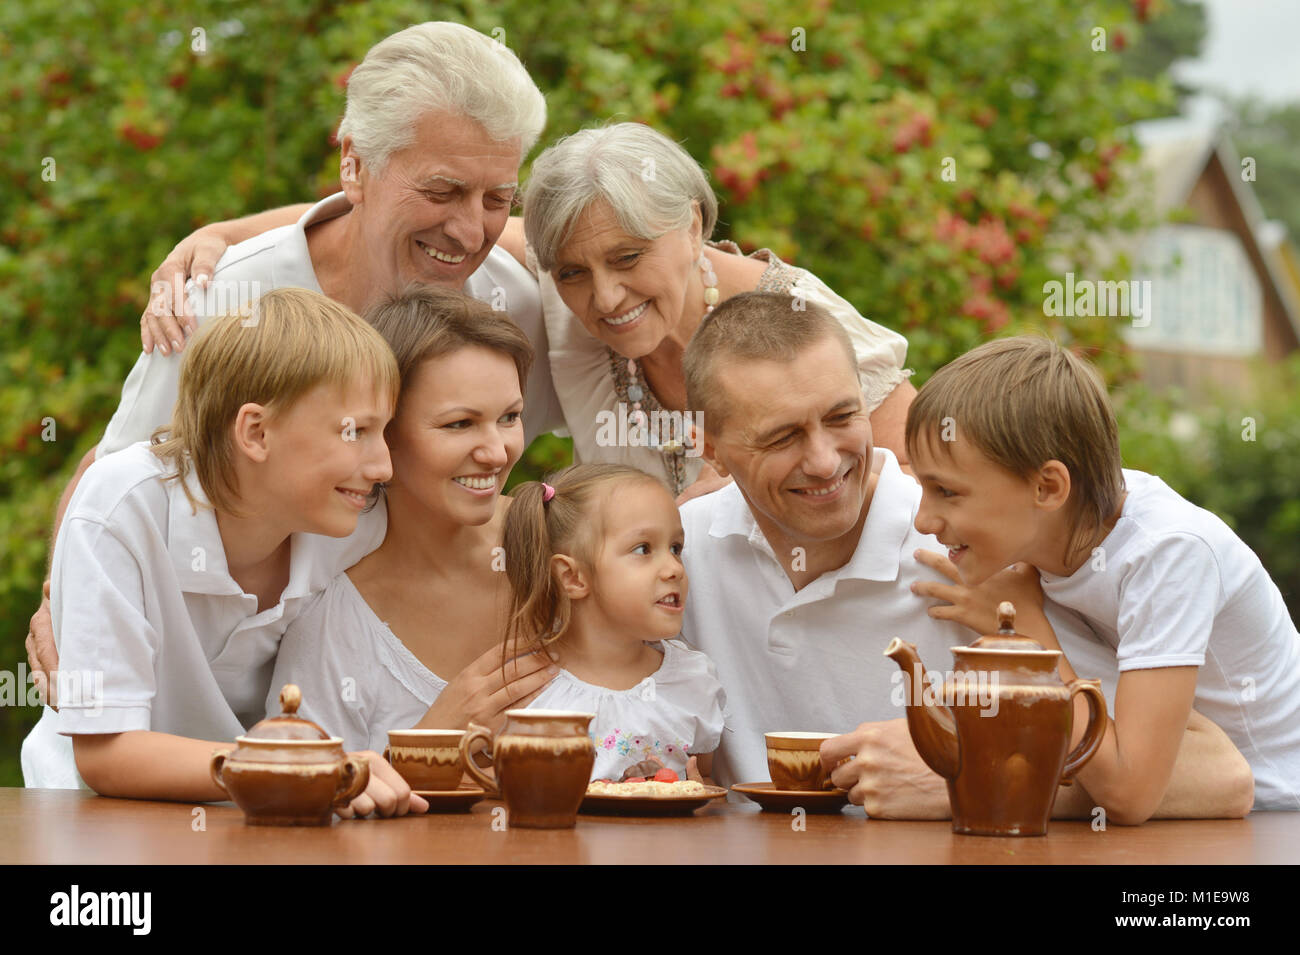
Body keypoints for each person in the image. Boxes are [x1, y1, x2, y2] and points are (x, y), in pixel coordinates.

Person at [27, 21, 563, 707]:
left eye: (497, 200)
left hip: (352, 725)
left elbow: (615, 263)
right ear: (355, 163)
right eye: (441, 192)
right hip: (174, 718)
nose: (470, 231)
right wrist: (61, 593)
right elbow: (117, 467)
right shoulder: (226, 300)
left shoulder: (509, 305)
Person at [676, 291, 1256, 820]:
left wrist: (960, 774)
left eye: (842, 417)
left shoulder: (976, 556)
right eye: (782, 437)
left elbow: (1218, 776)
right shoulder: (675, 557)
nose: (826, 461)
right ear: (711, 448)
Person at [21, 288, 421, 817]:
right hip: (88, 816)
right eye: (357, 432)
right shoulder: (122, 508)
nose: (383, 467)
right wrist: (288, 767)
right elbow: (104, 753)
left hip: (249, 812)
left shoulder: (352, 523)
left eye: (385, 432)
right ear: (255, 432)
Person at [904, 336, 1300, 817]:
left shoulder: (1167, 553)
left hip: (1276, 815)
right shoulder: (1059, 529)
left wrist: (1031, 637)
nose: (923, 520)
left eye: (946, 491)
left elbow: (1131, 793)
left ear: (1048, 488)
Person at [516, 122, 915, 497]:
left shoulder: (802, 320)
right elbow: (476, 228)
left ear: (691, 227)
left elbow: (921, 479)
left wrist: (749, 510)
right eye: (573, 273)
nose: (604, 297)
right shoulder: (571, 260)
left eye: (628, 258)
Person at [268, 287, 557, 754]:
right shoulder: (334, 622)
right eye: (459, 424)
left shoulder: (568, 550)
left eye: (509, 417)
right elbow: (297, 797)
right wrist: (429, 741)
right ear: (384, 433)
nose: (496, 451)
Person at [502, 464, 724, 782]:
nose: (674, 568)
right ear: (572, 577)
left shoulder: (691, 681)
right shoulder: (526, 687)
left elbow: (705, 783)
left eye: (676, 548)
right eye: (643, 549)